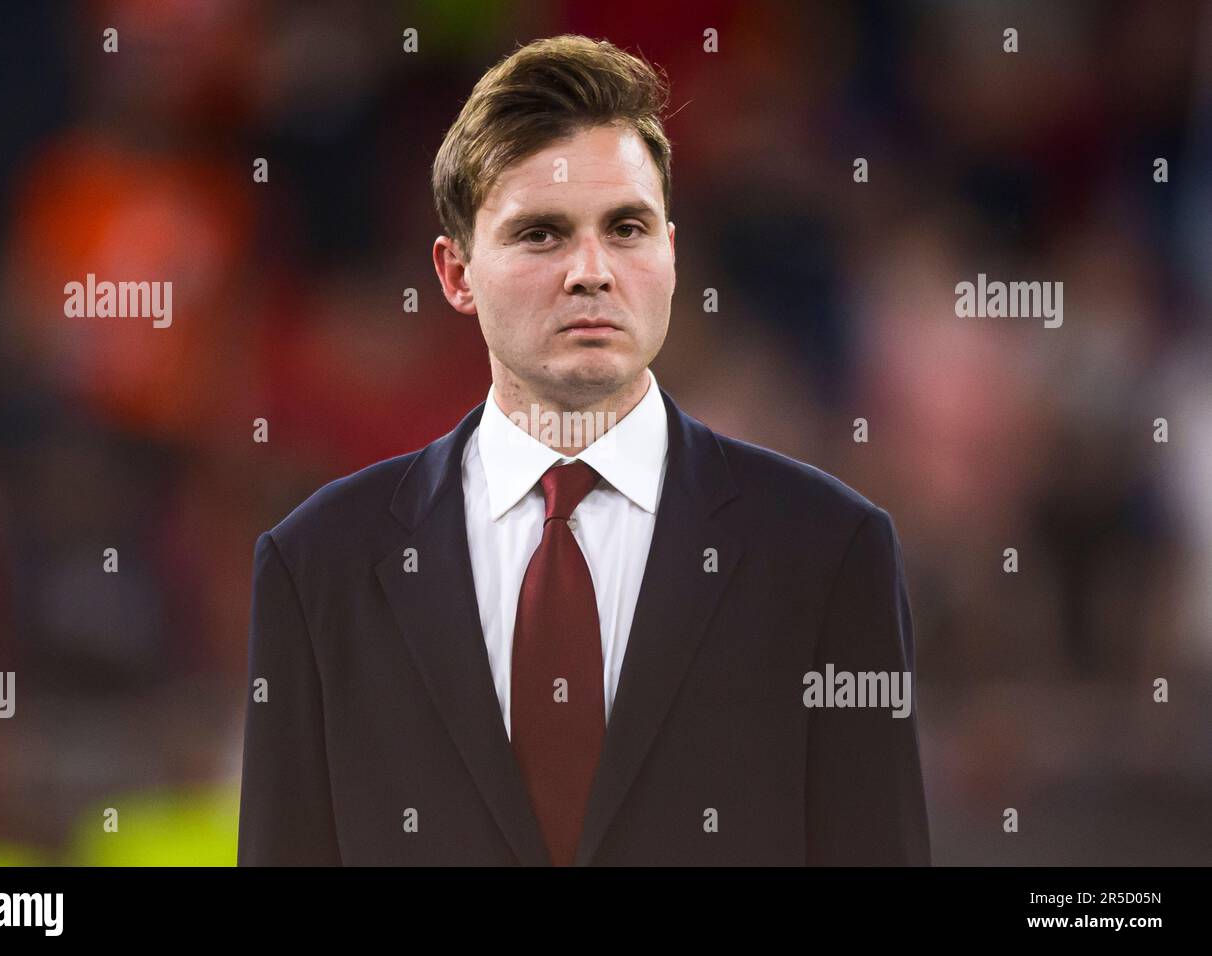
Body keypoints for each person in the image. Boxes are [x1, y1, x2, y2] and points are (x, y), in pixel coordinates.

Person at [238, 34, 930, 866]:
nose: (592, 271)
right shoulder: (318, 566)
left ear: (671, 254)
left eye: (627, 227)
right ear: (456, 274)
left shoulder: (827, 550)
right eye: (542, 235)